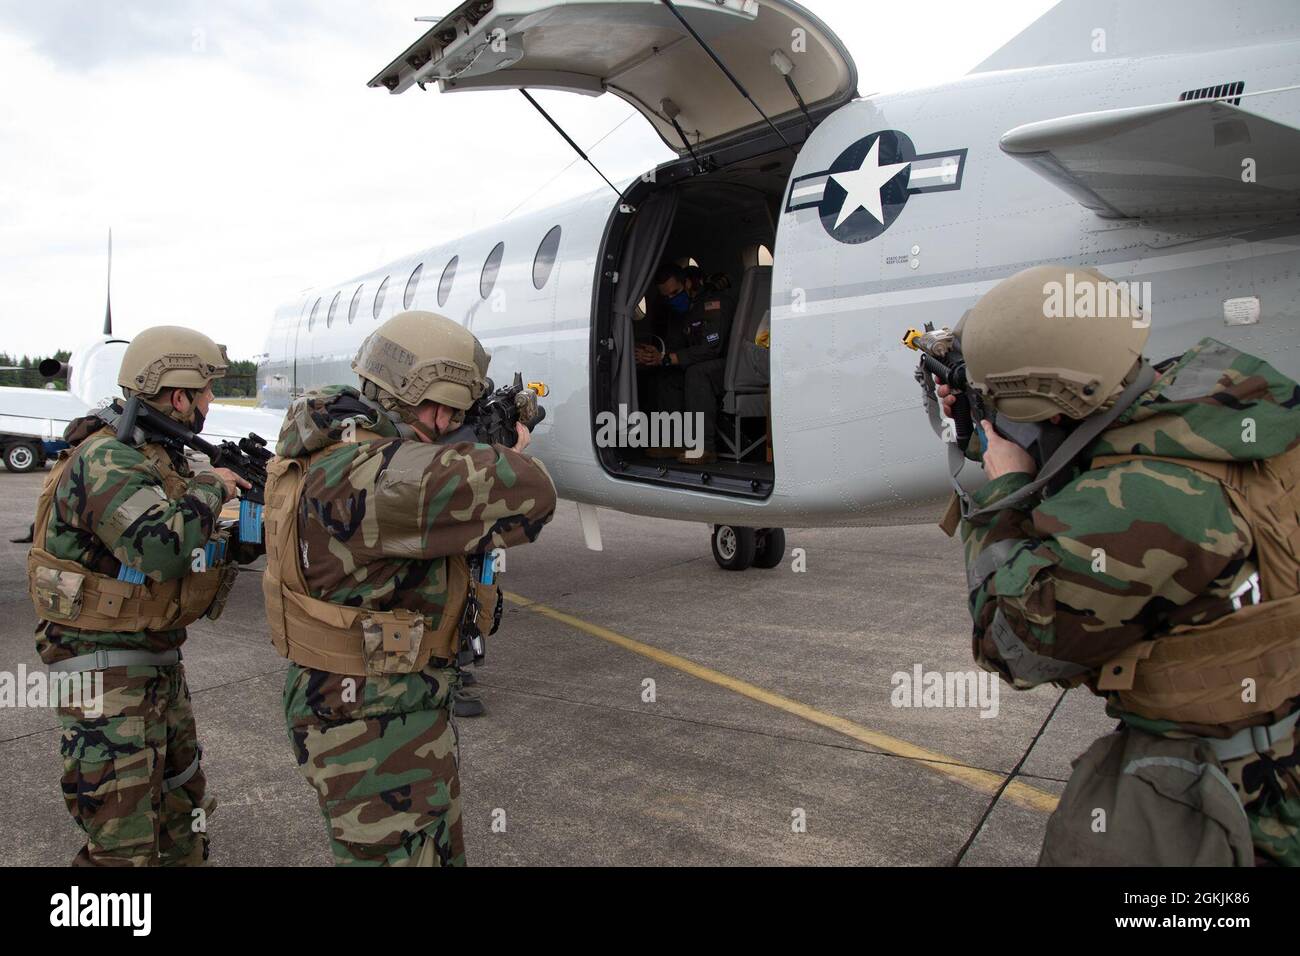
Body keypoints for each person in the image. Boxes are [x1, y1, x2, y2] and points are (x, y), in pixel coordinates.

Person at [941, 264, 1300, 866]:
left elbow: (1014, 643)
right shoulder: (1229, 409)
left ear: (1047, 408)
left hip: (1218, 806)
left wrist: (1001, 497)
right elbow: (1101, 449)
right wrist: (984, 432)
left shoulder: (1148, 501)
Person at [263, 310, 556, 866]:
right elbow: (533, 498)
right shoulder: (370, 474)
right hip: (373, 724)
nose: (447, 422)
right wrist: (510, 450)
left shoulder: (331, 450)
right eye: (442, 408)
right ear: (414, 396)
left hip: (377, 705)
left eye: (460, 413)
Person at [28, 326, 250, 866]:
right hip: (106, 678)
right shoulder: (106, 459)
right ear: (179, 396)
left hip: (151, 663)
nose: (211, 401)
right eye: (205, 391)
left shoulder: (154, 455)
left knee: (181, 810)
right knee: (122, 840)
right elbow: (162, 549)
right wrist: (214, 485)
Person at [636, 263, 734, 462]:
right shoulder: (681, 312)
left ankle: (704, 448)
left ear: (687, 283)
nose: (672, 299)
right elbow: (675, 348)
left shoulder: (713, 303)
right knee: (668, 375)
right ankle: (674, 442)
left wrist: (669, 358)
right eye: (667, 297)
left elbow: (711, 348)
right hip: (700, 363)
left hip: (727, 364)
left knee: (696, 373)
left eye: (676, 292)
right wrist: (658, 355)